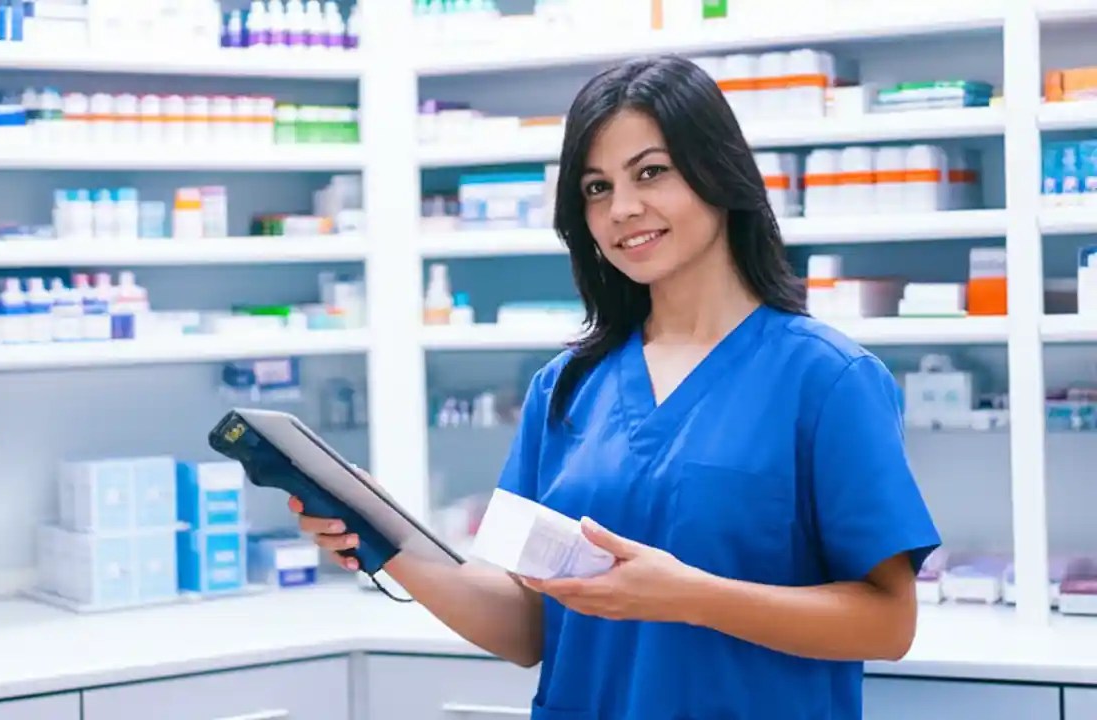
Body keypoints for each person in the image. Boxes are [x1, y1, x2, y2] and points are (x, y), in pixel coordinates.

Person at [289, 54, 941, 720]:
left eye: (651, 172)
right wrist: (385, 543)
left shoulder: (827, 380)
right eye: (596, 188)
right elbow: (526, 627)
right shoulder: (566, 388)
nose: (623, 210)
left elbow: (888, 624)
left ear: (718, 173)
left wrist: (688, 596)